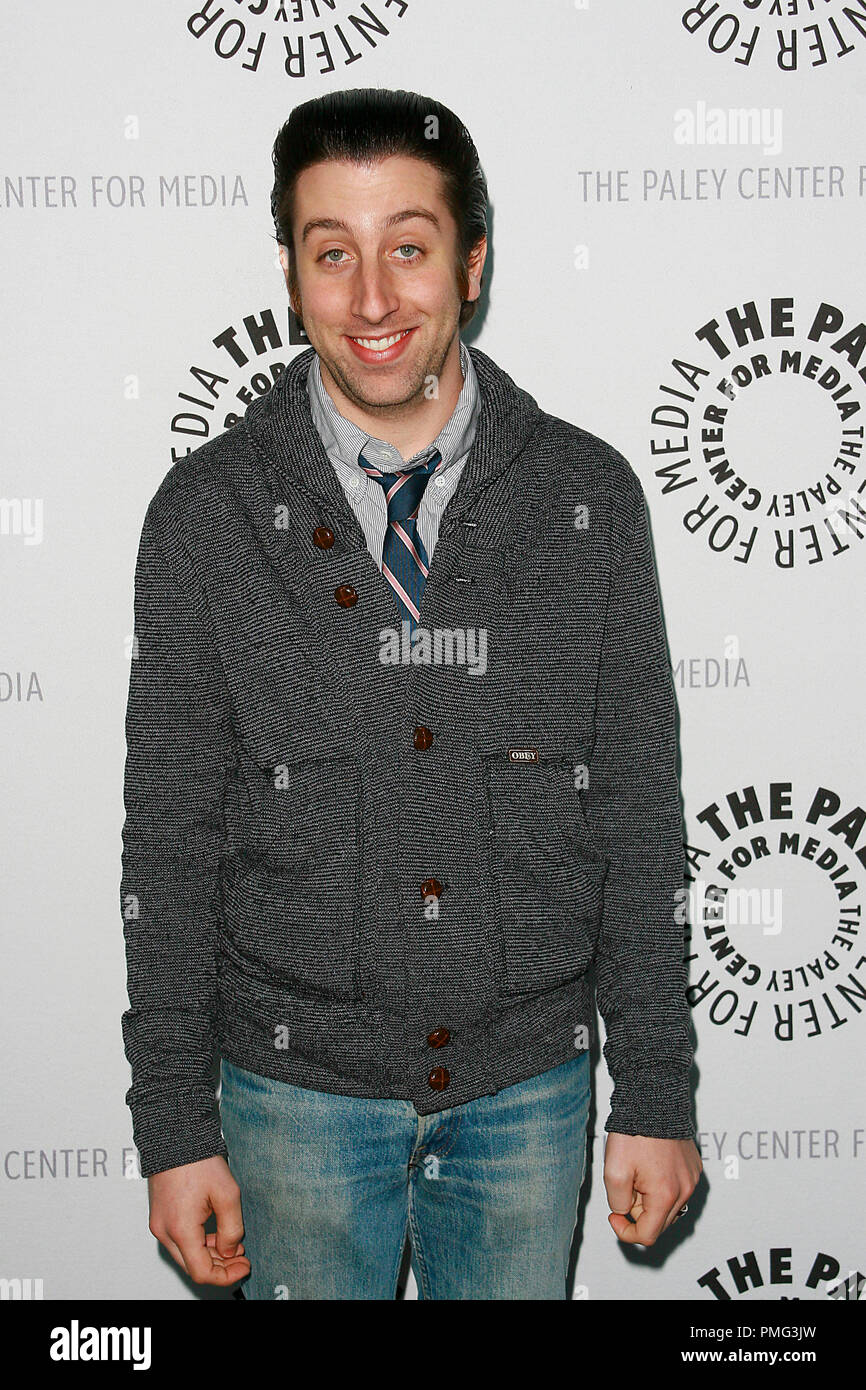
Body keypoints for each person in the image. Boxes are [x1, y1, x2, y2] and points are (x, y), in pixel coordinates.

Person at [120, 87, 702, 1301]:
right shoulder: (206, 517)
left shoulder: (585, 502)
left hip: (530, 1094)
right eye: (332, 253)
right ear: (291, 270)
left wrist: (653, 1092)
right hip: (290, 1096)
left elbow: (638, 819)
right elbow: (169, 845)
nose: (372, 300)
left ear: (472, 260)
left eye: (408, 249)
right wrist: (175, 1125)